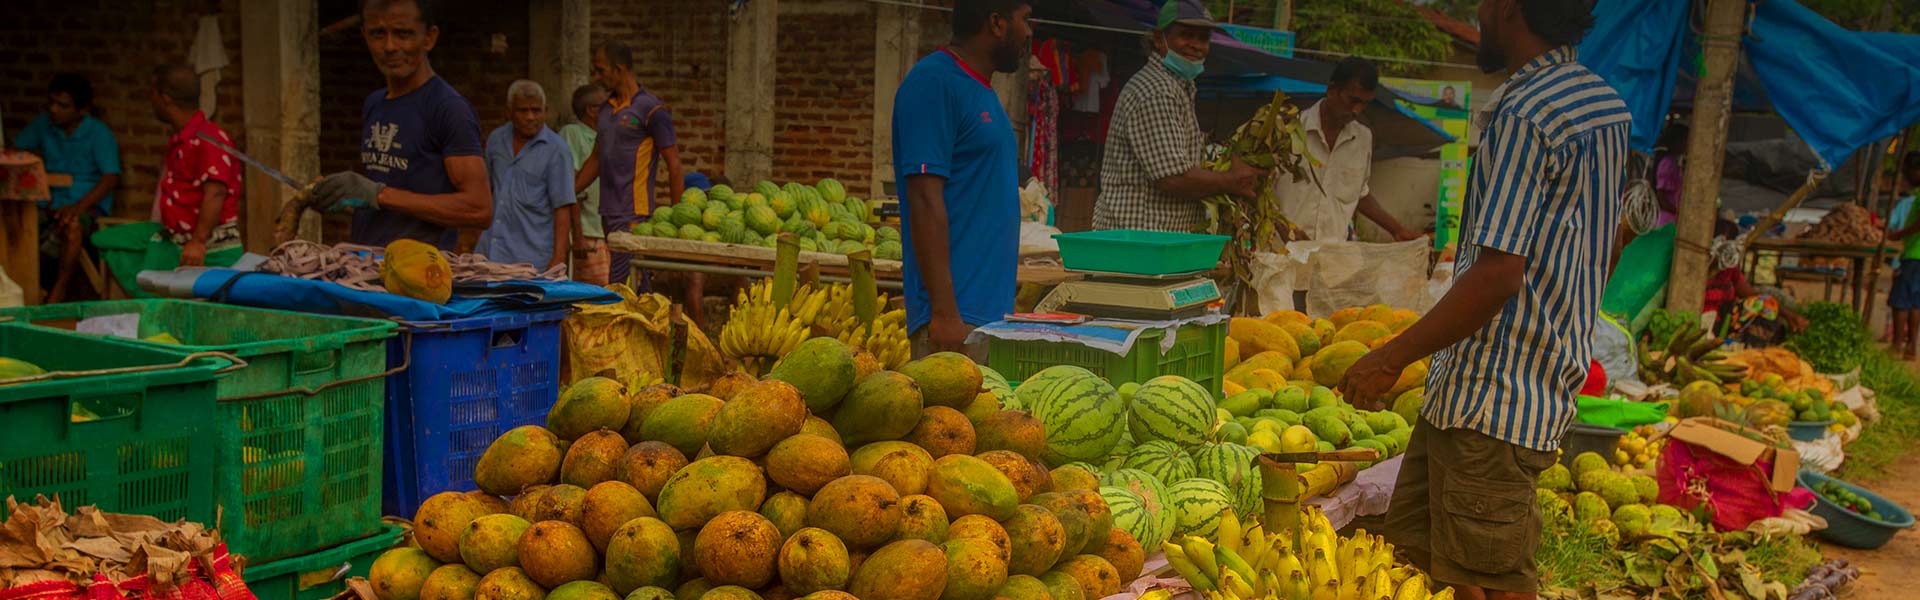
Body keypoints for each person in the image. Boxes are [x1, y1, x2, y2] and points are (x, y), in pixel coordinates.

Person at [1340, 0, 1629, 598]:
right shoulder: (1602, 104)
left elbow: (1498, 274)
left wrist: (1389, 358)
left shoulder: (1527, 113)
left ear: (1508, 9)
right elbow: (1594, 245)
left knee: (1488, 582)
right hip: (1487, 388)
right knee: (1420, 558)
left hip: (1496, 397)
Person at [892, 0, 1031, 358]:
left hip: (987, 317)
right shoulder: (934, 83)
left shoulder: (981, 90)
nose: (1029, 33)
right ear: (997, 23)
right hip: (955, 322)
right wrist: (944, 312)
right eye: (1025, 20)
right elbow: (924, 198)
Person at [309, 0, 492, 250]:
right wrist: (346, 194)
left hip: (418, 276)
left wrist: (378, 194)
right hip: (365, 268)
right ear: (364, 36)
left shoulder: (448, 108)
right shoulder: (374, 103)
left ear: (429, 37)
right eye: (377, 34)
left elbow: (479, 209)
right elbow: (389, 190)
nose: (390, 46)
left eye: (403, 34)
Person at [1091, 0, 1260, 232]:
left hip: (1158, 238)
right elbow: (1172, 178)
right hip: (1137, 238)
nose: (1196, 45)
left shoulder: (1179, 87)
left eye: (1203, 38)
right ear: (1160, 39)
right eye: (1186, 35)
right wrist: (1232, 181)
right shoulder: (1156, 90)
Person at [574, 41, 685, 286]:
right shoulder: (605, 109)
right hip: (608, 212)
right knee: (634, 285)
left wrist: (678, 222)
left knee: (621, 284)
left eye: (601, 70)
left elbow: (674, 165)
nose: (597, 77)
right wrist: (567, 192)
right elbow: (596, 159)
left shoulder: (651, 110)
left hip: (635, 212)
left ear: (620, 69)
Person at [1276, 57, 1421, 243]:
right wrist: (1283, 228)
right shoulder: (1286, 130)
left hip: (1331, 260)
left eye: (1364, 103)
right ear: (1331, 90)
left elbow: (1359, 193)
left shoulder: (1363, 138)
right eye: (1353, 100)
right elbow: (1257, 190)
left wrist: (1397, 230)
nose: (1357, 110)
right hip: (1279, 255)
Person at [11, 73, 121, 302]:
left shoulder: (98, 133)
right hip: (48, 202)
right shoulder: (43, 125)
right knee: (18, 225)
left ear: (82, 110)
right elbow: (15, 150)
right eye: (51, 102)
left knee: (71, 228)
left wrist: (79, 207)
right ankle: (21, 288)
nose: (54, 109)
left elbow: (110, 177)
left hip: (86, 207)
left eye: (63, 106)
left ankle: (57, 292)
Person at [474, 80, 575, 270]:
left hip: (531, 259)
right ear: (509, 111)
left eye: (536, 111)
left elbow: (562, 207)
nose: (530, 117)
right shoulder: (496, 140)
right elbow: (485, 191)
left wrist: (558, 258)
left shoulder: (556, 150)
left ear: (545, 111)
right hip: (490, 251)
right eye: (523, 110)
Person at [561, 83, 610, 285]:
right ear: (592, 110)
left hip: (607, 231)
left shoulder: (606, 136)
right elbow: (569, 186)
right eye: (606, 106)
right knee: (595, 299)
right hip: (587, 232)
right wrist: (578, 234)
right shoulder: (572, 133)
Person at [1887, 152, 1920, 359]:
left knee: (1900, 300)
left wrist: (1897, 234)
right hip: (1915, 254)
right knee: (1916, 302)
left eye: (1908, 172)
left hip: (1914, 255)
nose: (1907, 177)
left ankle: (1897, 346)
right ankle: (1911, 348)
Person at [1652, 122, 1689, 229]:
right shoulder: (1668, 163)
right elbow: (1661, 197)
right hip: (1668, 220)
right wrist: (1679, 212)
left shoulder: (1674, 162)